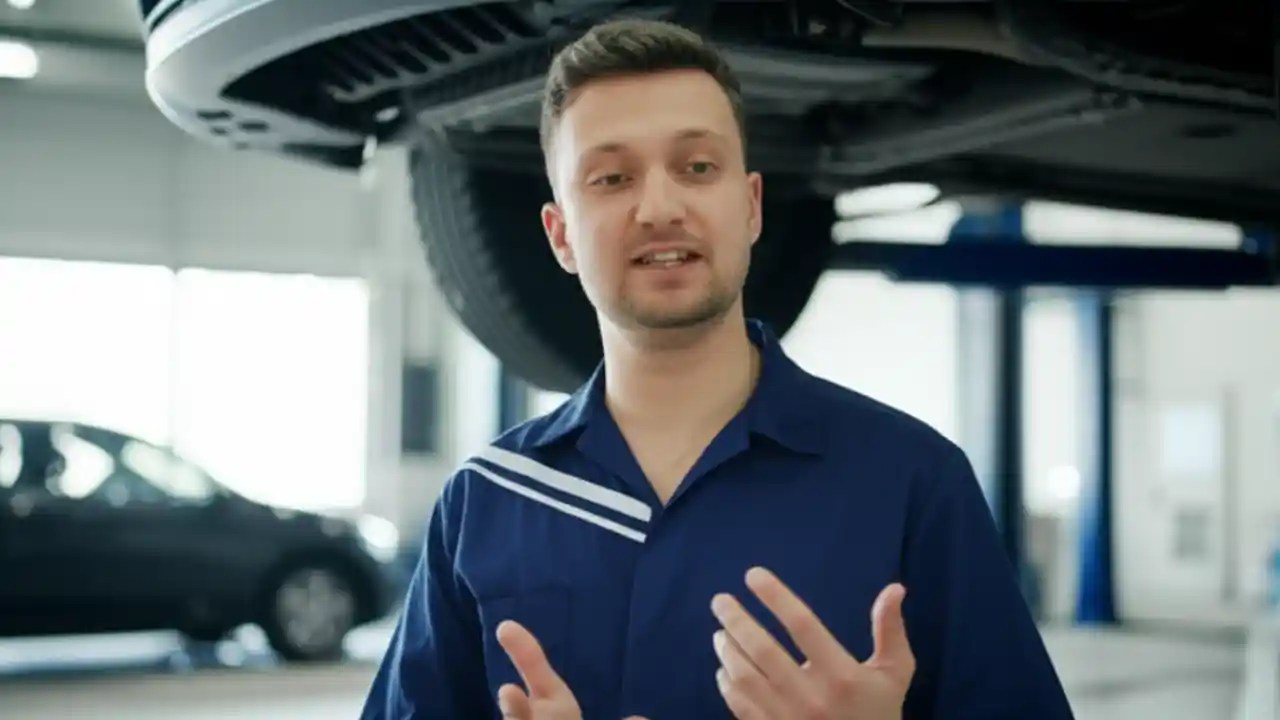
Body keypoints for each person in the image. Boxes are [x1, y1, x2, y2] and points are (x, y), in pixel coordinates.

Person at [360, 17, 1075, 720]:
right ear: (561, 235)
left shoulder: (909, 482)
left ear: (751, 207)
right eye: (611, 178)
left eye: (697, 168)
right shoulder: (489, 503)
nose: (659, 207)